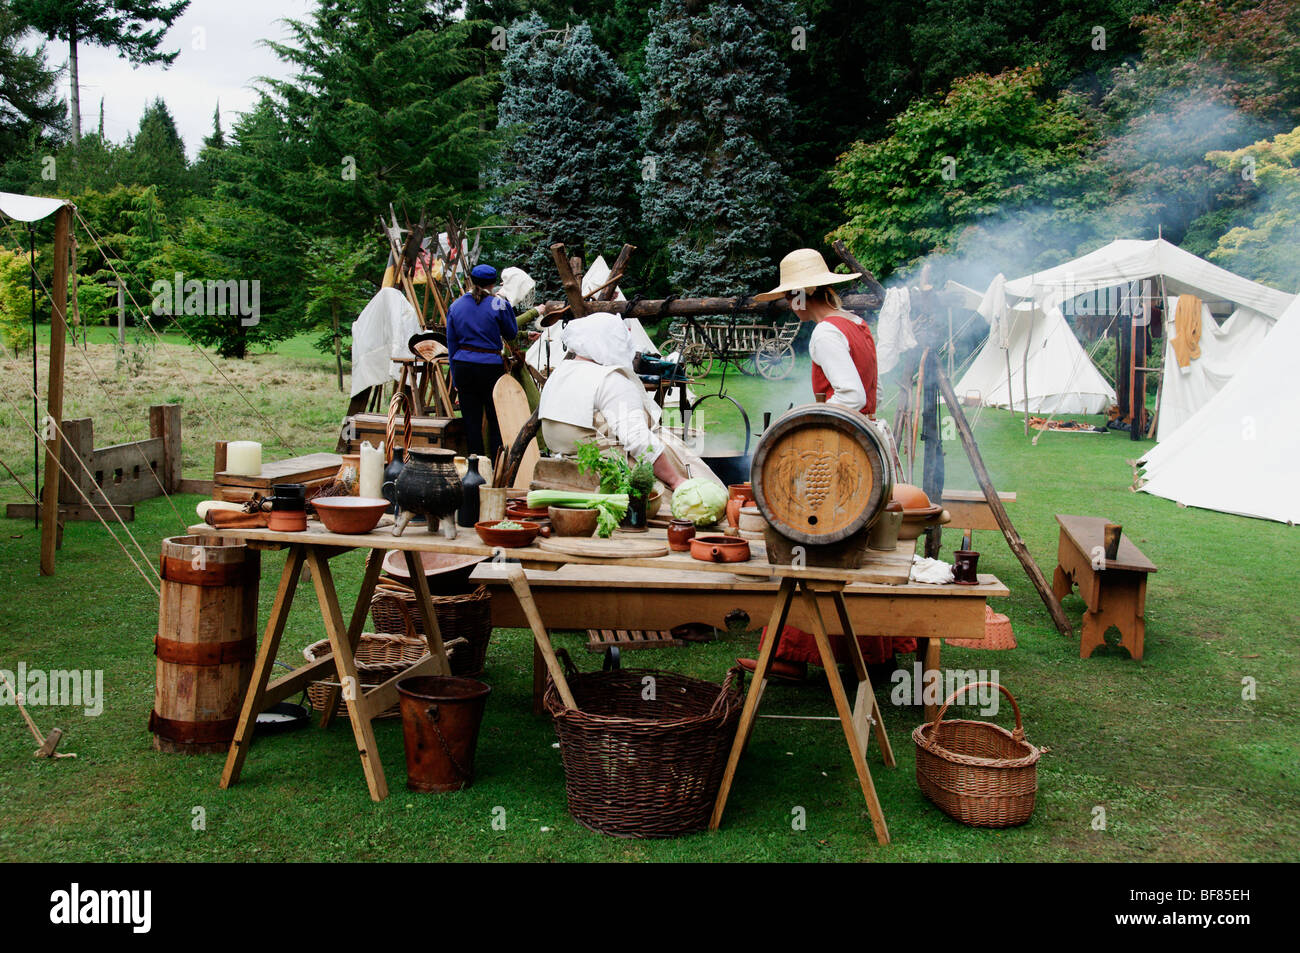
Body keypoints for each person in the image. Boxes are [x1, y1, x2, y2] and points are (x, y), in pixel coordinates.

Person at [738, 248, 913, 681]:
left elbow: (849, 396)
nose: (787, 305)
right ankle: (865, 654)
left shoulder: (823, 334)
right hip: (865, 438)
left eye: (789, 297)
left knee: (813, 541)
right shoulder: (854, 323)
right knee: (849, 547)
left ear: (803, 294)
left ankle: (795, 654)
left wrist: (806, 424)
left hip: (844, 447)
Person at [537, 312, 720, 493]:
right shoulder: (609, 380)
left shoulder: (559, 374)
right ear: (612, 343)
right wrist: (675, 480)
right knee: (703, 489)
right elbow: (638, 440)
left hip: (563, 471)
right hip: (609, 478)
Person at [446, 264, 518, 457]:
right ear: (493, 283)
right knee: (495, 419)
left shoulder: (456, 305)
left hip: (463, 368)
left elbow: (451, 345)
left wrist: (454, 376)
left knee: (471, 419)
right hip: (490, 368)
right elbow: (511, 333)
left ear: (471, 280)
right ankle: (495, 466)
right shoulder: (498, 304)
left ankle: (474, 467)